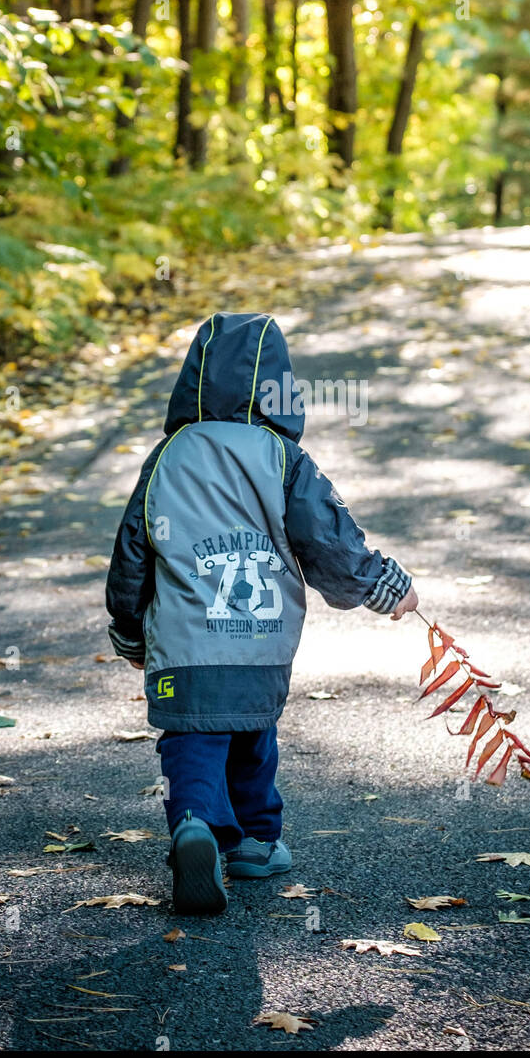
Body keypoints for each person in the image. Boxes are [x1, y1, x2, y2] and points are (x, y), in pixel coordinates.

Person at [106, 312, 418, 913]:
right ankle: (255, 839)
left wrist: (127, 626)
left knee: (190, 738)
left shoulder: (167, 457)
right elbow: (328, 538)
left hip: (184, 642)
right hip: (260, 636)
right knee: (253, 733)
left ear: (192, 379)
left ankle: (194, 824)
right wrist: (380, 583)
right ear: (280, 386)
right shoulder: (283, 459)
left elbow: (133, 548)